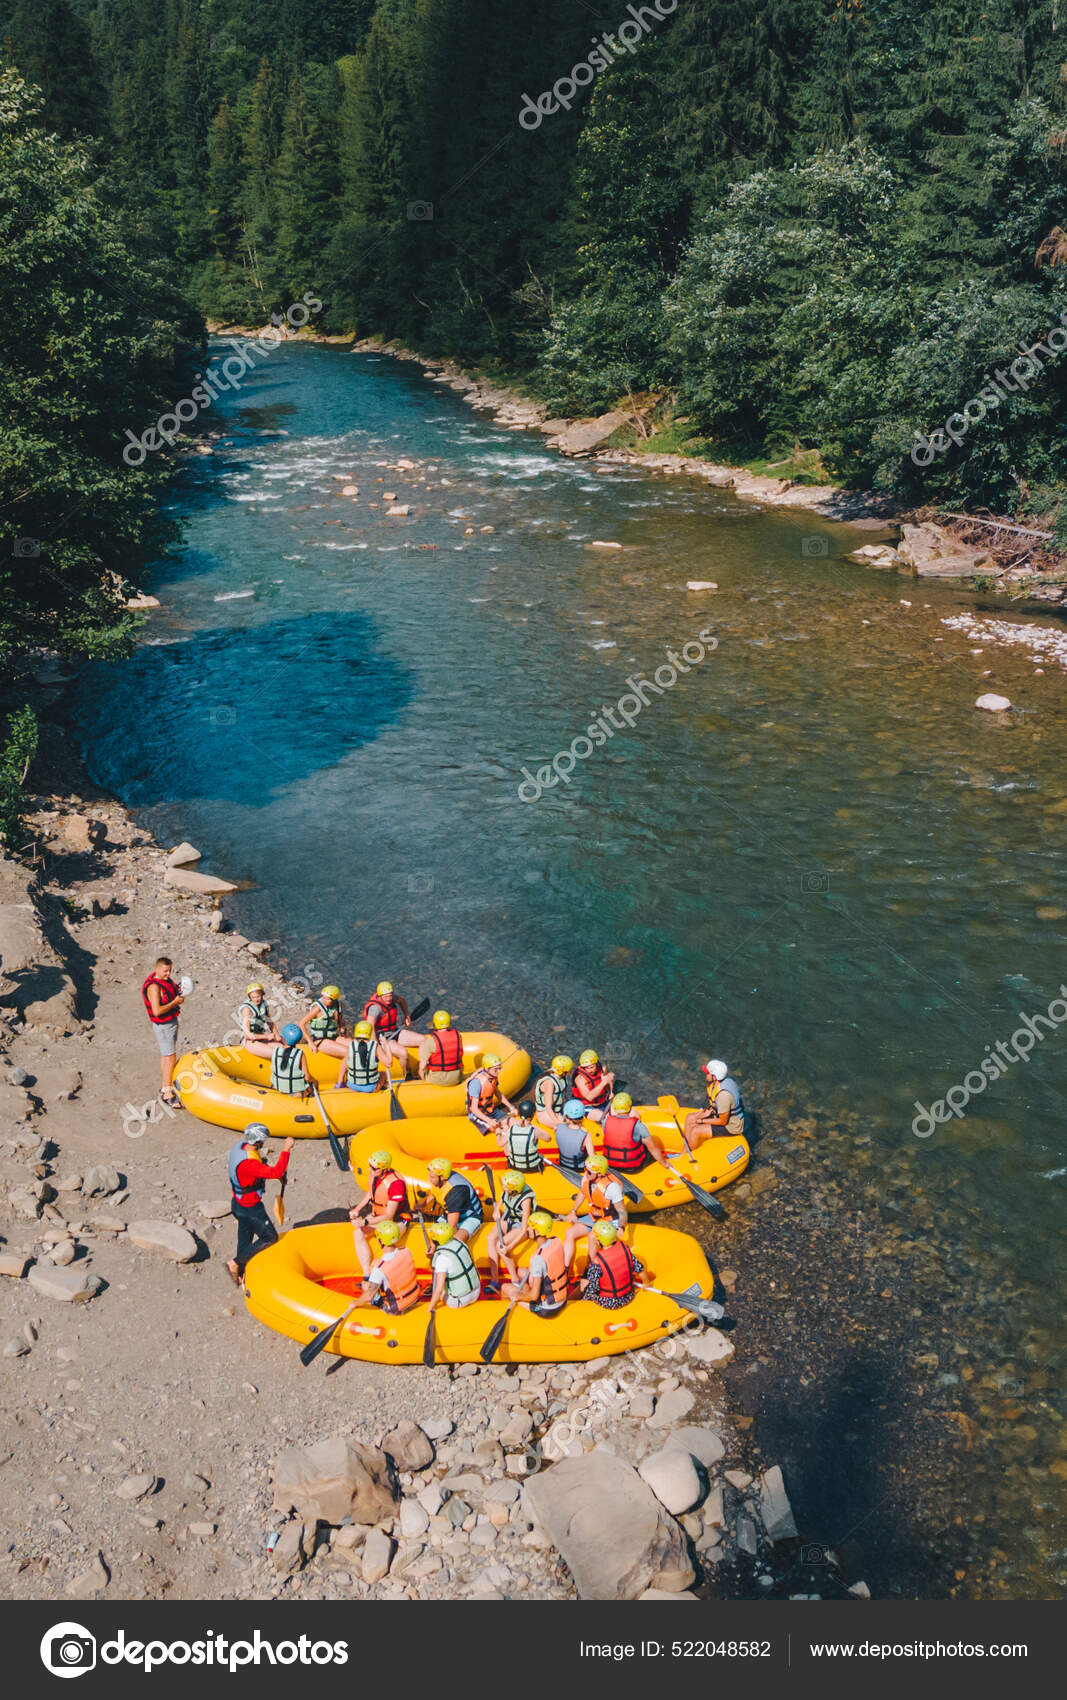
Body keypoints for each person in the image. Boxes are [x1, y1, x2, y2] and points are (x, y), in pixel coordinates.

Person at [226, 1122, 293, 1284]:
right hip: (250, 1207)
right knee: (269, 1237)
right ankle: (234, 1264)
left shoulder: (240, 1147)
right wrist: (286, 1149)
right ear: (258, 1141)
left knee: (245, 1238)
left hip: (238, 1204)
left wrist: (277, 1177)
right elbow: (274, 1170)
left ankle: (241, 1273)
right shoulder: (248, 1164)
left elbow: (262, 1167)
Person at [350, 1149, 409, 1274]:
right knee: (358, 1234)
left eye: (374, 1168)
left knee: (385, 1236)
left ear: (384, 1169)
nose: (371, 1170)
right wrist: (357, 1209)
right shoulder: (375, 1175)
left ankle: (390, 1272)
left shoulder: (395, 1184)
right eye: (370, 1166)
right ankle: (367, 1275)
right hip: (379, 1216)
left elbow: (389, 1215)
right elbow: (371, 1194)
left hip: (396, 1221)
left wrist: (365, 1221)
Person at [563, 1153, 627, 1265]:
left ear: (599, 1173)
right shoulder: (586, 1178)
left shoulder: (612, 1187)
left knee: (593, 1236)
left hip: (610, 1220)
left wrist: (621, 1227)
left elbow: (621, 1210)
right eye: (585, 1169)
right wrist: (574, 1211)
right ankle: (565, 1267)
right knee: (569, 1232)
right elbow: (583, 1193)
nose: (585, 1173)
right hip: (593, 1218)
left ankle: (590, 1267)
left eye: (588, 1172)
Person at [502, 1212, 570, 1316]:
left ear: (537, 1231)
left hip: (546, 1308)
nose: (527, 1229)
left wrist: (518, 1296)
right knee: (521, 1271)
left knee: (505, 1288)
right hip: (563, 1299)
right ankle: (525, 1291)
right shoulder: (556, 1241)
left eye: (530, 1227)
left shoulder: (538, 1260)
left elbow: (534, 1296)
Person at [348, 1220, 421, 1314]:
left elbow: (369, 1296)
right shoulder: (406, 1251)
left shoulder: (379, 1269)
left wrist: (355, 1303)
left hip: (397, 1308)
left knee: (366, 1287)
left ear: (380, 1241)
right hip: (415, 1297)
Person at [142, 955, 184, 1105]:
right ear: (157, 969)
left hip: (169, 1024)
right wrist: (175, 1002)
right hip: (164, 1026)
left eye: (170, 970)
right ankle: (167, 1092)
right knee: (170, 1057)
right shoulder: (154, 987)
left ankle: (166, 1085)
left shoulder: (163, 981)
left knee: (166, 1056)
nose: (169, 974)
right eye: (166, 971)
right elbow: (157, 1011)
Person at [581, 1220, 647, 1310]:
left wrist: (585, 1292)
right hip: (629, 1295)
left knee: (585, 1286)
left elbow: (593, 1288)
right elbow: (640, 1268)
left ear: (598, 1241)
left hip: (611, 1302)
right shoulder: (624, 1248)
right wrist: (646, 1283)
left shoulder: (598, 1261)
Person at [362, 981, 421, 1079]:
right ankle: (407, 1075)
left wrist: (407, 1015)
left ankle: (423, 1069)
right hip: (383, 1038)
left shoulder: (392, 998)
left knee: (422, 1040)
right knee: (403, 1053)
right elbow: (369, 1026)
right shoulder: (375, 1008)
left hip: (395, 1032)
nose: (389, 999)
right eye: (386, 997)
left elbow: (402, 1001)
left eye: (390, 996)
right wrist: (376, 1045)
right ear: (380, 996)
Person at [486, 1169, 536, 1284]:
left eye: (506, 1186)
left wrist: (509, 1247)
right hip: (509, 1219)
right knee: (490, 1238)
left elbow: (523, 1230)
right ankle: (494, 1280)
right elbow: (502, 1199)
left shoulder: (525, 1200)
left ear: (514, 1189)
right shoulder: (508, 1190)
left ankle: (515, 1279)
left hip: (521, 1225)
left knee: (500, 1245)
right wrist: (497, 1210)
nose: (503, 1188)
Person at [684, 1059, 746, 1151]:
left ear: (714, 1077)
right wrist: (705, 1114)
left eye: (707, 1073)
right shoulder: (717, 1083)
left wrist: (701, 1121)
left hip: (731, 1126)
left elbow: (723, 1121)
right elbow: (715, 1104)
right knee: (689, 1118)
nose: (705, 1075)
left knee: (695, 1131)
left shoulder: (723, 1095)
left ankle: (688, 1158)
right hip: (718, 1115)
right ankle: (683, 1152)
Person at [602, 1091, 667, 1170]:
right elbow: (652, 1148)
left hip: (610, 1164)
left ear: (614, 1108)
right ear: (630, 1107)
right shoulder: (638, 1125)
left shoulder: (606, 1122)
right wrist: (665, 1163)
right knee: (650, 1150)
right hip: (632, 1167)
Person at [426, 1220, 482, 1311]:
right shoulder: (460, 1243)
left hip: (461, 1300)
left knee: (441, 1292)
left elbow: (439, 1288)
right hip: (476, 1291)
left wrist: (430, 1308)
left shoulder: (442, 1258)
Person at [426, 1158, 483, 1243]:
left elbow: (452, 1226)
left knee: (455, 1241)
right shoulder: (441, 1180)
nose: (429, 1179)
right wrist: (422, 1205)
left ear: (442, 1177)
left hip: (470, 1217)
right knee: (432, 1237)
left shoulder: (456, 1191)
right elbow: (435, 1193)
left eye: (432, 1177)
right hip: (451, 1213)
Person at [466, 1051, 517, 1134]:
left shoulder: (493, 1077)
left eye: (500, 1068)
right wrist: (489, 1120)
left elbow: (499, 1094)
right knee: (501, 1130)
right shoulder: (476, 1083)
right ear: (487, 1069)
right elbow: (474, 1109)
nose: (499, 1071)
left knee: (513, 1122)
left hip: (491, 1111)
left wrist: (511, 1107)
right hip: (478, 1115)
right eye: (496, 1069)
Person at [336, 1019, 388, 1093]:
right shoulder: (376, 1047)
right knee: (383, 1074)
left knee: (348, 1066)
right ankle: (383, 1087)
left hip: (351, 1085)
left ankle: (340, 1083)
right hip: (371, 1088)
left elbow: (345, 1064)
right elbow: (389, 1063)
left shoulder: (351, 1046)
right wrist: (386, 1045)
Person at [417, 1009, 465, 1085]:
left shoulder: (430, 1042)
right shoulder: (458, 1036)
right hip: (456, 1078)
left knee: (422, 1069)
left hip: (436, 1079)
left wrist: (423, 1080)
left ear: (435, 1024)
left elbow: (422, 1067)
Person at [496, 1100, 545, 1173]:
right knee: (541, 1156)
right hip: (533, 1168)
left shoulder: (511, 1129)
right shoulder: (534, 1130)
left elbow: (500, 1144)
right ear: (532, 1114)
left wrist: (498, 1133)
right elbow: (548, 1138)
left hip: (515, 1167)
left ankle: (511, 1162)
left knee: (506, 1145)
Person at [300, 984, 347, 1060]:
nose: (323, 1000)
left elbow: (339, 1019)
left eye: (327, 999)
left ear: (334, 1000)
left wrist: (342, 1029)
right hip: (320, 1041)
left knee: (355, 1047)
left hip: (334, 1037)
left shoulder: (338, 1005)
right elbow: (301, 1023)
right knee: (347, 1051)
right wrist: (310, 1042)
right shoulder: (317, 1008)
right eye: (323, 998)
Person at [239, 982, 283, 1058]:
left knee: (281, 1048)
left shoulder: (264, 1005)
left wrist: (279, 1038)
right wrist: (266, 1036)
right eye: (253, 997)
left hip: (260, 1039)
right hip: (249, 1041)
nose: (256, 1000)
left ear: (262, 995)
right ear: (250, 997)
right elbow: (247, 1035)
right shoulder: (246, 1010)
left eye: (258, 996)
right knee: (276, 1053)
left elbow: (270, 1023)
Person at [571, 1048, 615, 1121]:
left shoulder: (602, 1069)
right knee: (604, 1119)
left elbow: (608, 1080)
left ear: (596, 1063)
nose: (589, 1070)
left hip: (603, 1102)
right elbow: (589, 1097)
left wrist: (611, 1092)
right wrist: (604, 1082)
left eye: (592, 1067)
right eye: (586, 1068)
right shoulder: (579, 1078)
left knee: (618, 1114)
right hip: (587, 1107)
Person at [532, 1054, 573, 1131]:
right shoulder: (550, 1083)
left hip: (557, 1110)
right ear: (564, 1072)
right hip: (544, 1113)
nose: (570, 1072)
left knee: (573, 1122)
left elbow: (562, 1095)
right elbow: (548, 1108)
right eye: (569, 1071)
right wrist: (558, 1122)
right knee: (567, 1127)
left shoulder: (562, 1078)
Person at [554, 1099, 596, 1175]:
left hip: (563, 1165)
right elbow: (592, 1158)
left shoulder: (557, 1128)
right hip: (578, 1170)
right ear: (583, 1116)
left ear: (566, 1116)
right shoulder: (585, 1135)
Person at [270, 1023, 311, 1095]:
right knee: (312, 1087)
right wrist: (315, 1082)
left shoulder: (275, 1051)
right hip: (295, 1093)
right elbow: (307, 1078)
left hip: (277, 1088)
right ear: (298, 1041)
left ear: (283, 1038)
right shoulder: (300, 1054)